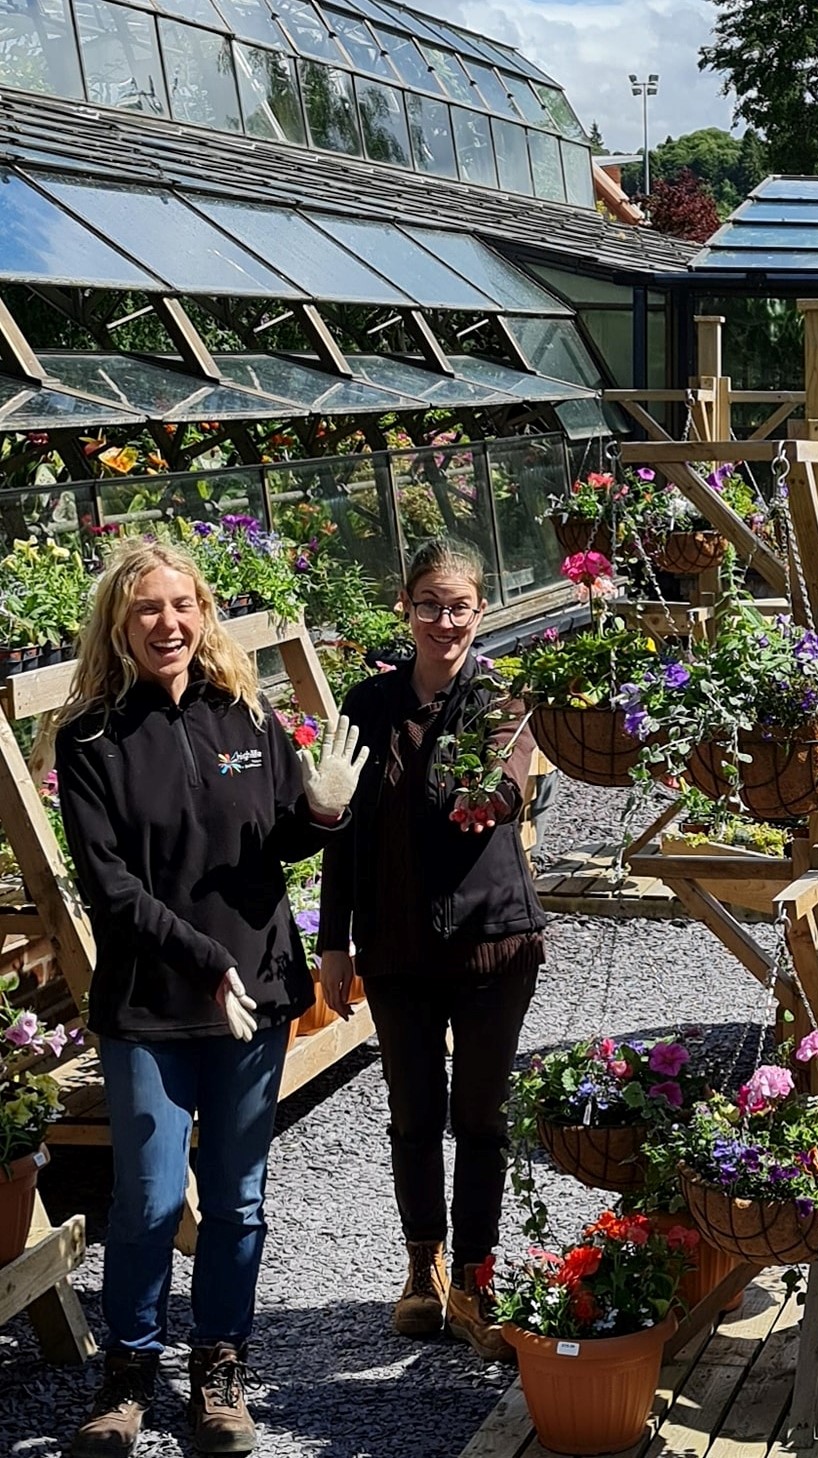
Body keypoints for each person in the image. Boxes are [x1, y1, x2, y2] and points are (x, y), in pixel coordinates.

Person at [52, 539, 365, 1458]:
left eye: (182, 605)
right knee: (148, 1203)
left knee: (237, 1202)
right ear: (119, 620)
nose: (168, 624)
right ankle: (128, 1376)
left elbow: (273, 850)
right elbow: (111, 892)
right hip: (152, 1003)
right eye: (148, 608)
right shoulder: (92, 740)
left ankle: (220, 1366)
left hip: (254, 998)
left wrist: (322, 812)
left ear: (205, 615)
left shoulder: (249, 722)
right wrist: (203, 959)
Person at [316, 537, 546, 1360]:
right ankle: (424, 1267)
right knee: (413, 1112)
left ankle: (477, 1277)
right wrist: (333, 942)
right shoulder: (368, 705)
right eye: (427, 604)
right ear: (405, 609)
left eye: (458, 606)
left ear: (480, 611)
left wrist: (498, 795)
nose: (442, 620)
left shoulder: (500, 699)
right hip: (397, 947)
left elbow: (513, 776)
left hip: (492, 943)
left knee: (480, 1116)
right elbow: (339, 828)